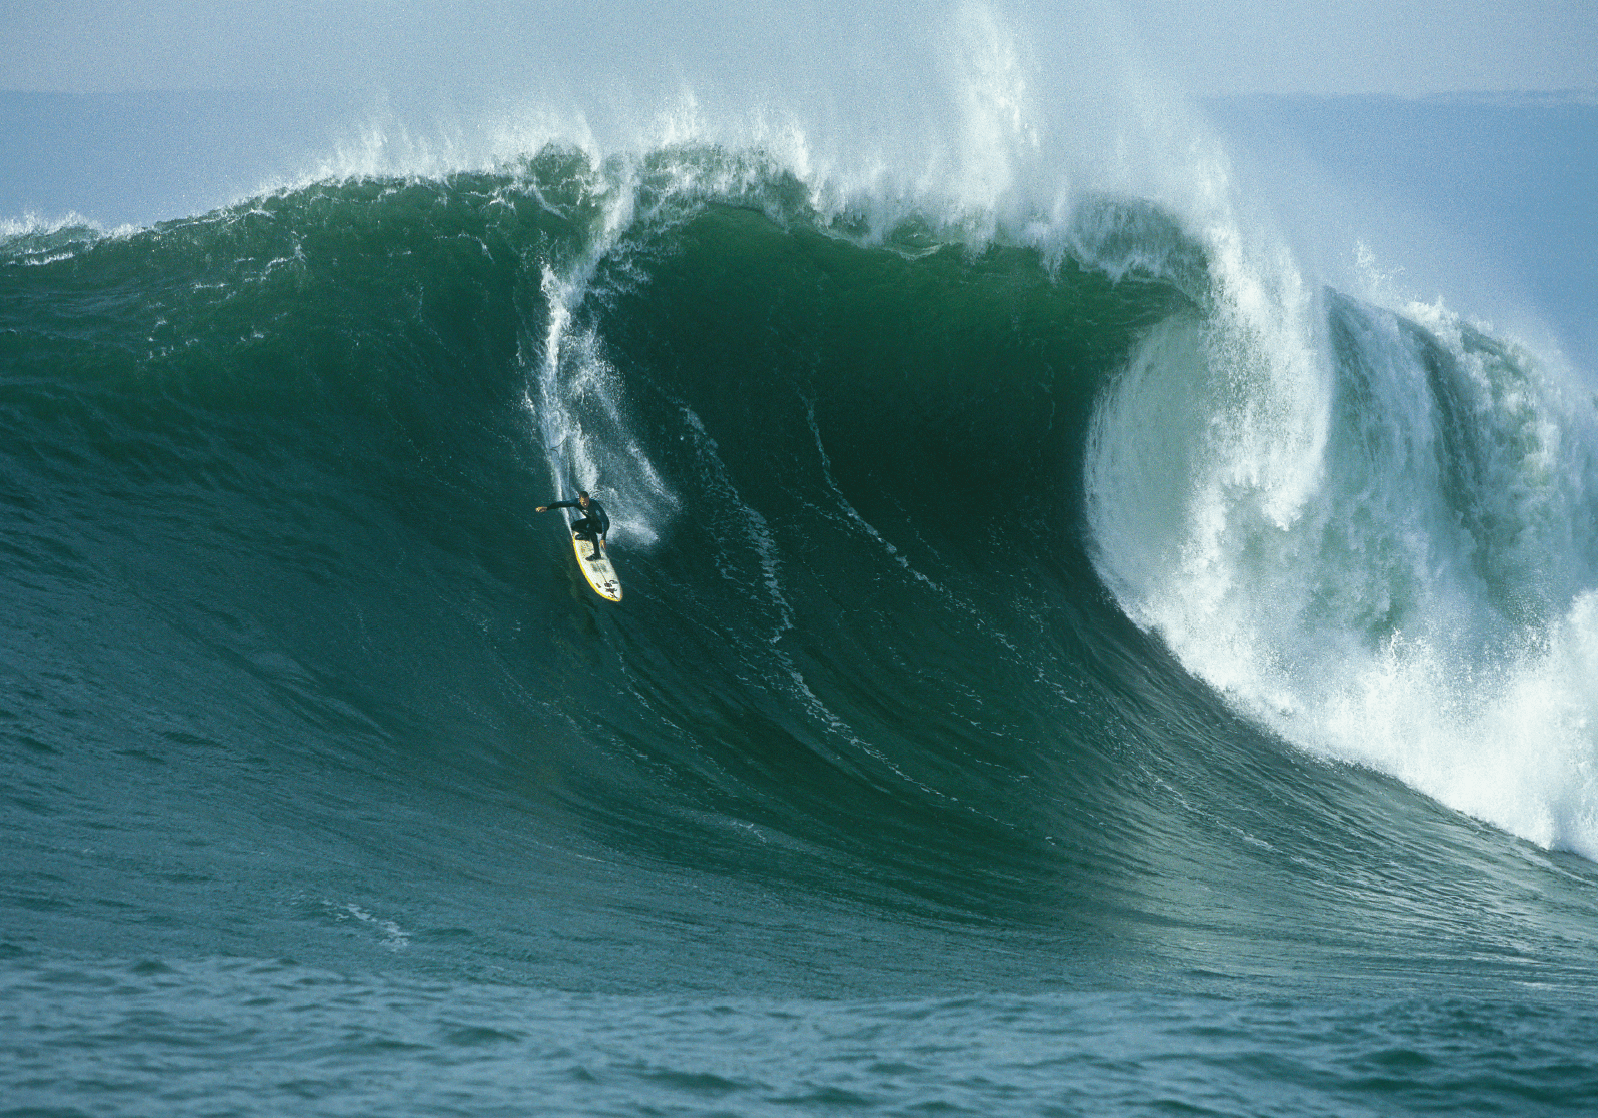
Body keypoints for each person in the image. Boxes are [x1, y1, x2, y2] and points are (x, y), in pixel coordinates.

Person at [536, 490, 609, 557]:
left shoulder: (594, 504)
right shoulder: (575, 502)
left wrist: (603, 538)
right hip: (591, 520)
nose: (586, 504)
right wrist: (547, 508)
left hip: (601, 525)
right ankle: (586, 535)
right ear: (579, 500)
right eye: (583, 502)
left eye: (587, 501)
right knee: (574, 526)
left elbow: (604, 521)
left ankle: (597, 554)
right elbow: (561, 504)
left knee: (589, 526)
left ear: (588, 498)